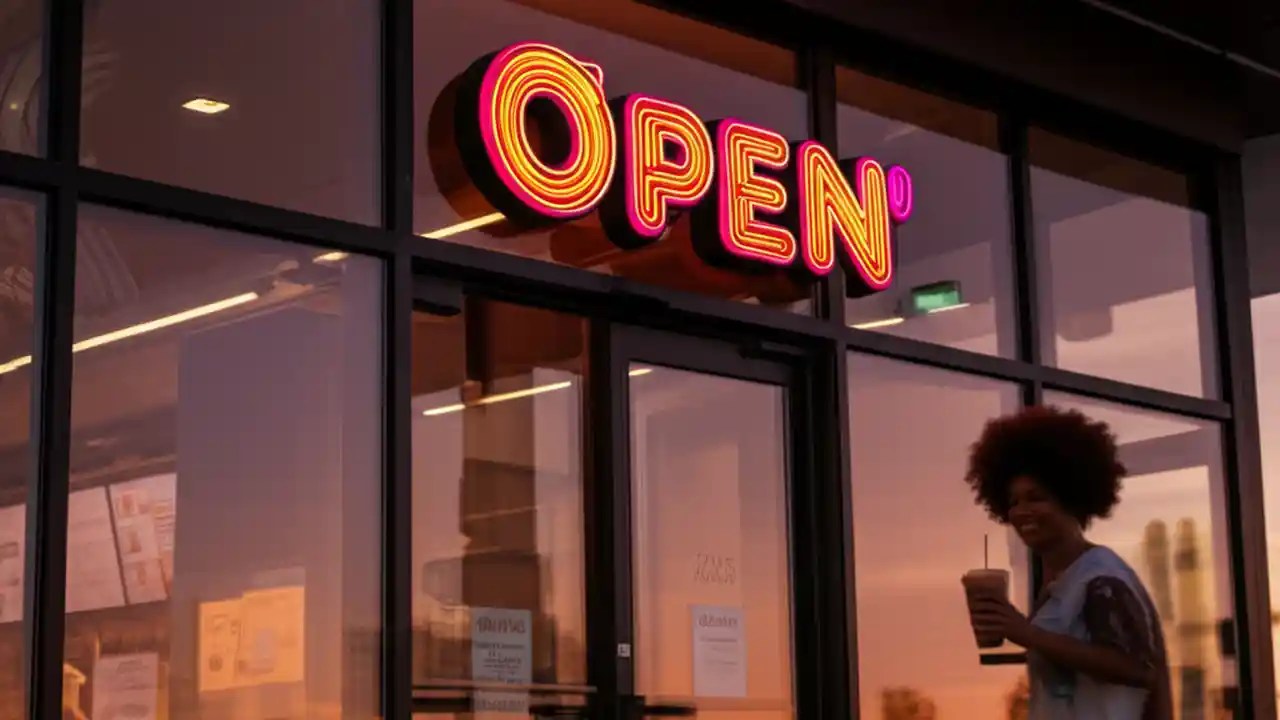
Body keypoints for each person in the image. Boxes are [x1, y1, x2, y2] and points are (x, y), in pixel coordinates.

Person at [964, 406, 1172, 720]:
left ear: (1071, 498)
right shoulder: (1062, 582)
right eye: (1013, 502)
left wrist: (1025, 633)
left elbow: (1138, 668)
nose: (1021, 511)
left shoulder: (1101, 578)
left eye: (1036, 498)